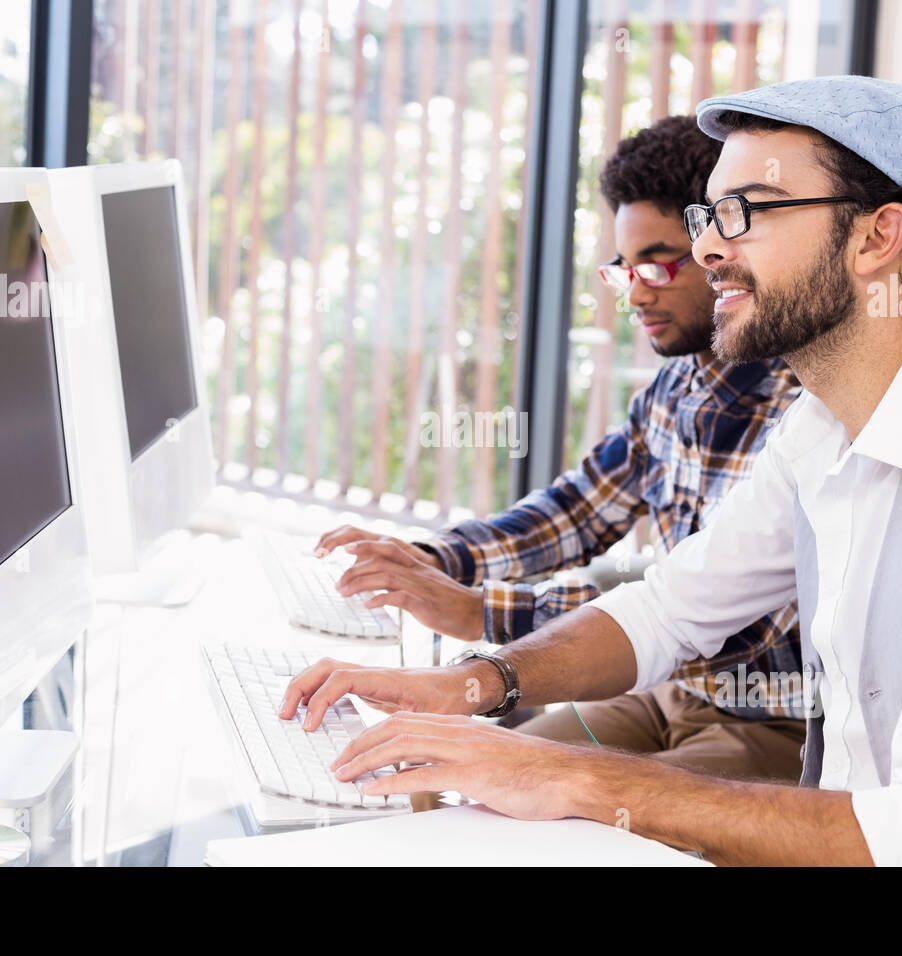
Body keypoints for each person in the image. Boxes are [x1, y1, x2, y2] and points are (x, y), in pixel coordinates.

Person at [282, 75, 902, 866]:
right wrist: (469, 685)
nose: (709, 246)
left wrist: (576, 779)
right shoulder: (822, 425)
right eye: (709, 213)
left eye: (746, 211)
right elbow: (669, 614)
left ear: (878, 237)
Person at [316, 115, 806, 782]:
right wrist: (433, 560)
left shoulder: (797, 410)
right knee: (453, 783)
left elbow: (722, 624)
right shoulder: (675, 389)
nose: (635, 293)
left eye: (657, 265)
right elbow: (573, 513)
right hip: (671, 697)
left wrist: (475, 612)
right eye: (623, 270)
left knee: (550, 820)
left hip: (777, 723)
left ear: (721, 250)